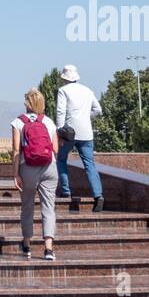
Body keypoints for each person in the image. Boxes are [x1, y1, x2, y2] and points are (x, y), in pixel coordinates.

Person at [11, 88, 59, 261]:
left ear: (27, 104)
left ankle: (27, 245)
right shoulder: (48, 122)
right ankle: (48, 249)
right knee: (48, 208)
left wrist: (15, 174)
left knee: (27, 207)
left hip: (28, 168)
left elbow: (16, 150)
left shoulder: (18, 122)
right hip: (49, 167)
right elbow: (55, 149)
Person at [55, 64, 105, 211]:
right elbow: (98, 110)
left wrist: (59, 131)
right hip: (86, 133)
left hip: (69, 132)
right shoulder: (87, 90)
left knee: (62, 159)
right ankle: (98, 195)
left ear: (64, 77)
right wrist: (85, 116)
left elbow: (60, 112)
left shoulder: (63, 91)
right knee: (90, 164)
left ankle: (65, 191)